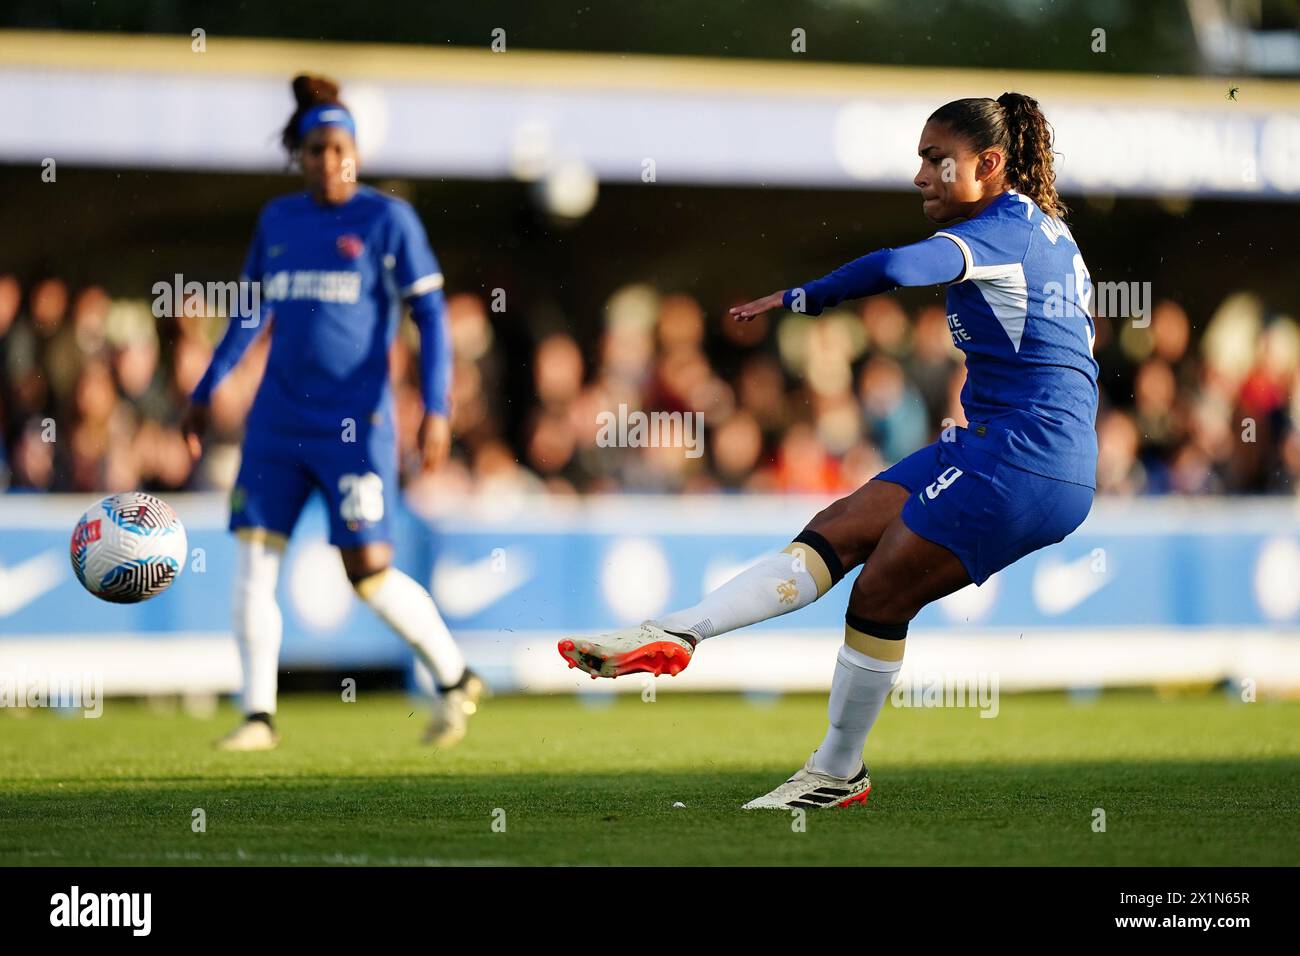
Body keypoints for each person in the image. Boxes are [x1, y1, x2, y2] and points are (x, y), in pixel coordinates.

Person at [559, 93, 1098, 809]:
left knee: (880, 592)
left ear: (990, 165)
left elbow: (903, 269)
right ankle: (682, 630)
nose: (919, 177)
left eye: (937, 161)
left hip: (1024, 457)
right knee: (844, 525)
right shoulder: (1049, 233)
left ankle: (837, 770)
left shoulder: (1004, 229)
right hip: (1003, 443)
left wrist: (808, 296)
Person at [184, 75, 483, 751]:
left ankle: (454, 673)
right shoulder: (279, 221)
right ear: (301, 155)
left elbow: (431, 316)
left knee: (369, 575)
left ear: (356, 150)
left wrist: (436, 408)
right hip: (276, 423)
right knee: (254, 562)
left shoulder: (387, 220)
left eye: (338, 146)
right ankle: (258, 715)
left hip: (357, 427)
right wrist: (207, 386)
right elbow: (251, 311)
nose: (328, 160)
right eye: (315, 148)